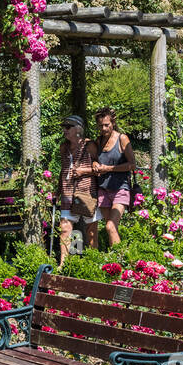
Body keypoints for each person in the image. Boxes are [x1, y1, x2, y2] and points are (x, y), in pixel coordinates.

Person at [56, 115, 99, 261]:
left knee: (91, 229)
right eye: (64, 127)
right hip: (67, 193)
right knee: (65, 228)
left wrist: (83, 171)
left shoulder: (90, 146)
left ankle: (93, 261)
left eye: (68, 127)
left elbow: (100, 168)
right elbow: (63, 170)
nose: (64, 130)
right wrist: (57, 192)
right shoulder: (64, 147)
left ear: (78, 129)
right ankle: (64, 264)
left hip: (86, 192)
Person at [92, 106, 136, 247]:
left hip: (120, 188)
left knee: (110, 226)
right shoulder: (98, 141)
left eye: (107, 125)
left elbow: (132, 164)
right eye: (100, 126)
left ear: (113, 123)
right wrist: (95, 164)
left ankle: (118, 259)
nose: (104, 129)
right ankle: (115, 262)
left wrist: (108, 168)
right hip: (103, 189)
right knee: (111, 228)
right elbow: (95, 158)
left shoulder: (122, 139)